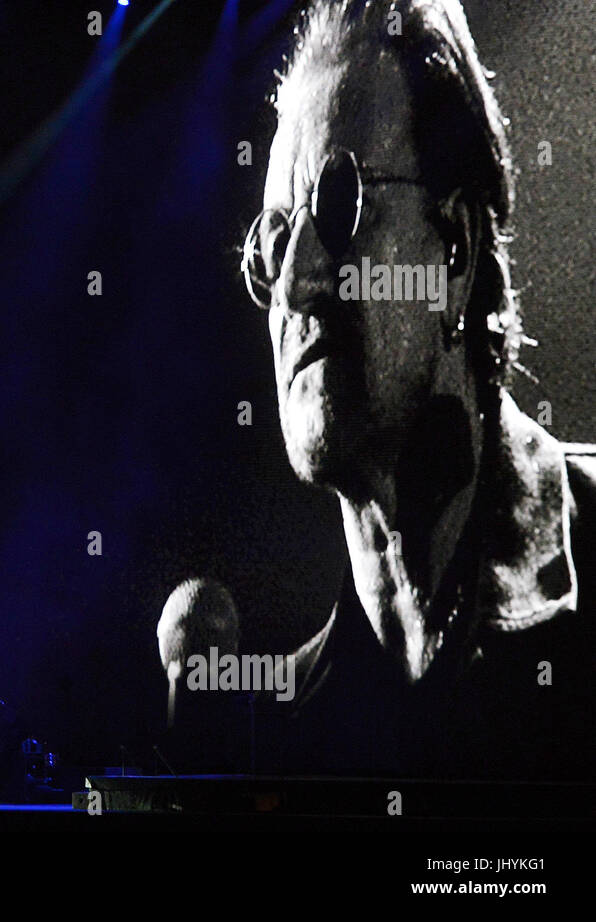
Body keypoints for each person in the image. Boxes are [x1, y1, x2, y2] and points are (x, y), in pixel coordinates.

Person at [240, 0, 595, 778]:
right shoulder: (284, 735)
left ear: (455, 253)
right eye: (271, 243)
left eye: (340, 202)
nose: (296, 282)